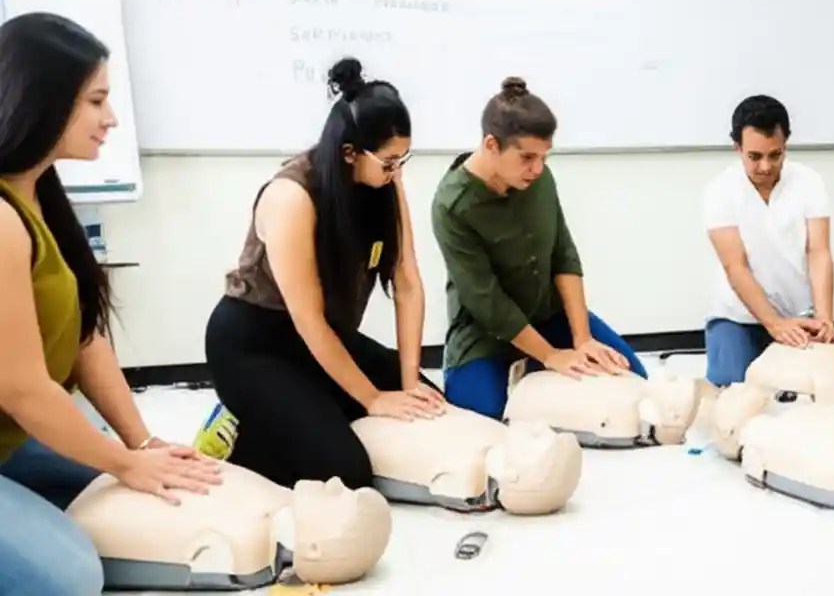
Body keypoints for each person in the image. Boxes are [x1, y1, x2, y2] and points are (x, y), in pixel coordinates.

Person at [0, 12, 221, 595]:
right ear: (43, 100)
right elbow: (22, 388)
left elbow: (85, 337)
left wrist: (140, 444)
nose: (112, 118)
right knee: (69, 576)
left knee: (163, 482)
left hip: (12, 436)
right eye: (96, 101)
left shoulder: (40, 193)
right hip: (16, 413)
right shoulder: (0, 220)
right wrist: (123, 463)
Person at [201, 57, 446, 490]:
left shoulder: (385, 184)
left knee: (429, 403)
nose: (397, 172)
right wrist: (371, 398)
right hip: (255, 345)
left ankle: (307, 408)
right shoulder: (291, 196)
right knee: (344, 470)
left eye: (402, 160)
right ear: (350, 153)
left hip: (324, 336)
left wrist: (407, 382)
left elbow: (407, 282)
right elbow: (307, 318)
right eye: (389, 162)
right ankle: (238, 431)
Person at [432, 76, 646, 420]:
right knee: (483, 415)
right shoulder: (452, 205)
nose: (538, 168)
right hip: (485, 333)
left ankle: (534, 372)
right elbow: (487, 303)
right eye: (527, 157)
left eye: (544, 157)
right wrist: (550, 356)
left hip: (547, 313)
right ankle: (531, 366)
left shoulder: (539, 178)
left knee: (632, 379)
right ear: (491, 144)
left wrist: (582, 338)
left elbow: (564, 254)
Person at [702, 95, 834, 386]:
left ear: (785, 144)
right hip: (738, 318)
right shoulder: (719, 191)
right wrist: (774, 325)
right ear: (737, 148)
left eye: (775, 155)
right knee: (732, 388)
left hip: (800, 313)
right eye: (754, 156)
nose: (765, 166)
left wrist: (825, 319)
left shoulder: (809, 181)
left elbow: (819, 253)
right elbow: (735, 267)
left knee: (822, 386)